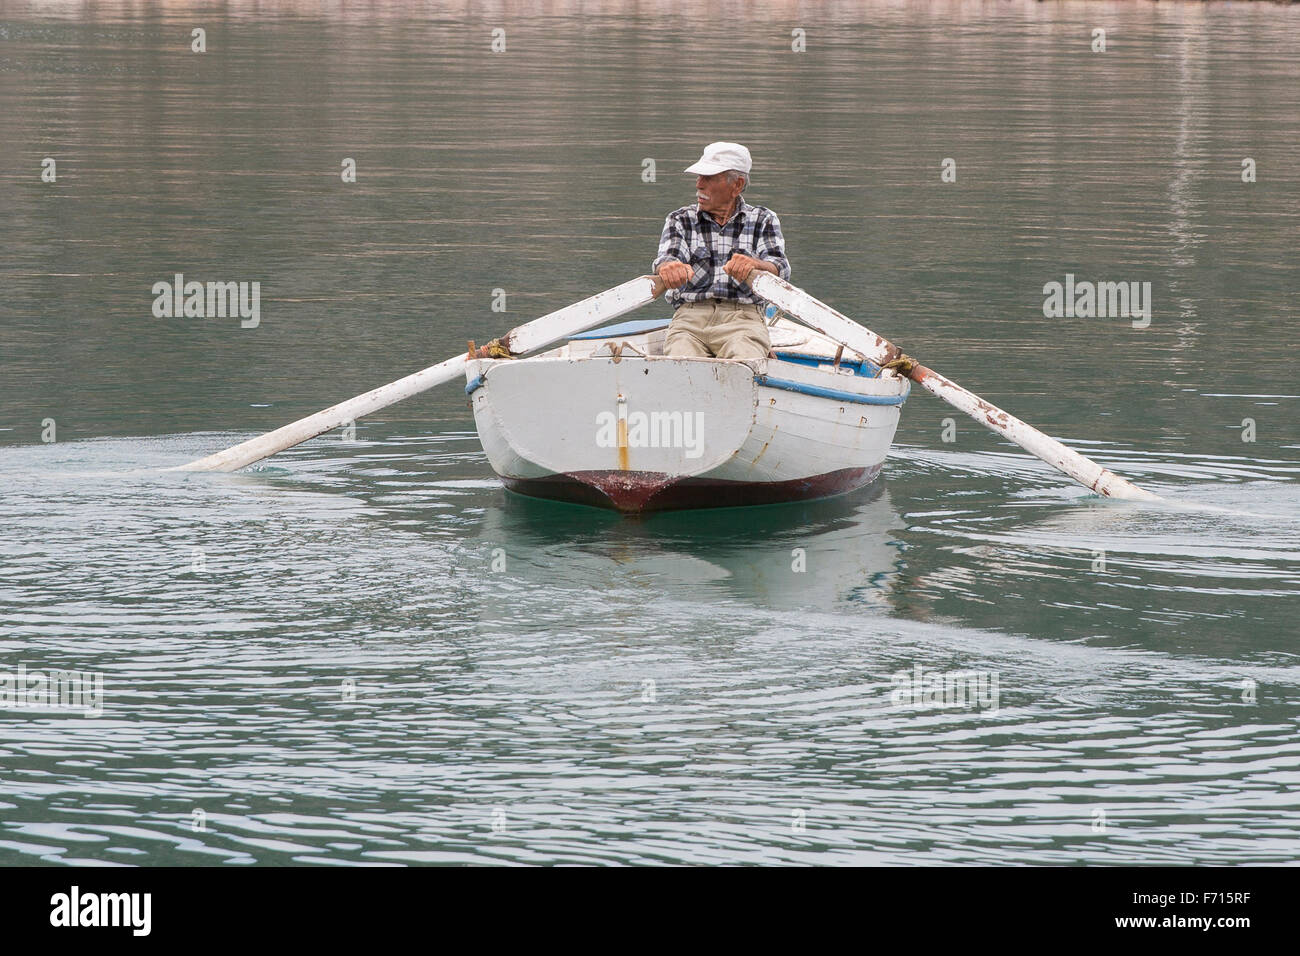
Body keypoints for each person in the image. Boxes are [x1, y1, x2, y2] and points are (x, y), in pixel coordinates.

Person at [651, 142, 791, 360]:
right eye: (699, 177)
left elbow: (779, 268)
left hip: (743, 319)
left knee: (745, 362)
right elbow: (668, 257)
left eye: (708, 178)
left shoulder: (763, 219)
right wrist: (669, 268)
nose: (699, 185)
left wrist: (755, 265)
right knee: (681, 363)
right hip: (689, 318)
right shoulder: (680, 219)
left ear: (737, 185)